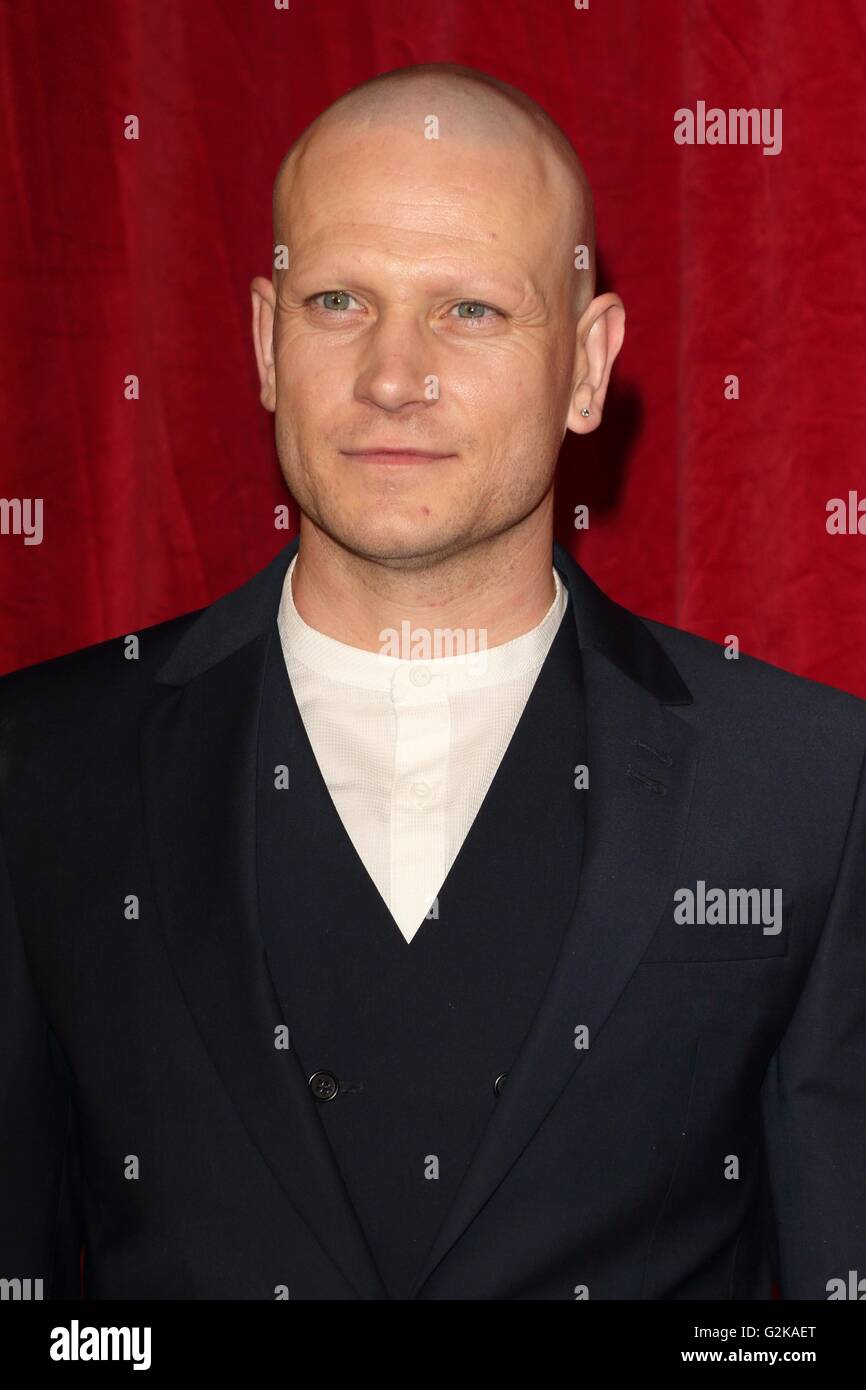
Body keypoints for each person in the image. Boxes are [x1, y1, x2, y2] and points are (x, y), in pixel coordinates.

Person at [1, 62, 864, 1302]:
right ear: (263, 337)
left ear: (587, 363)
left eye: (468, 311)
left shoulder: (806, 787)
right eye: (340, 299)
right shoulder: (38, 769)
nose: (392, 375)